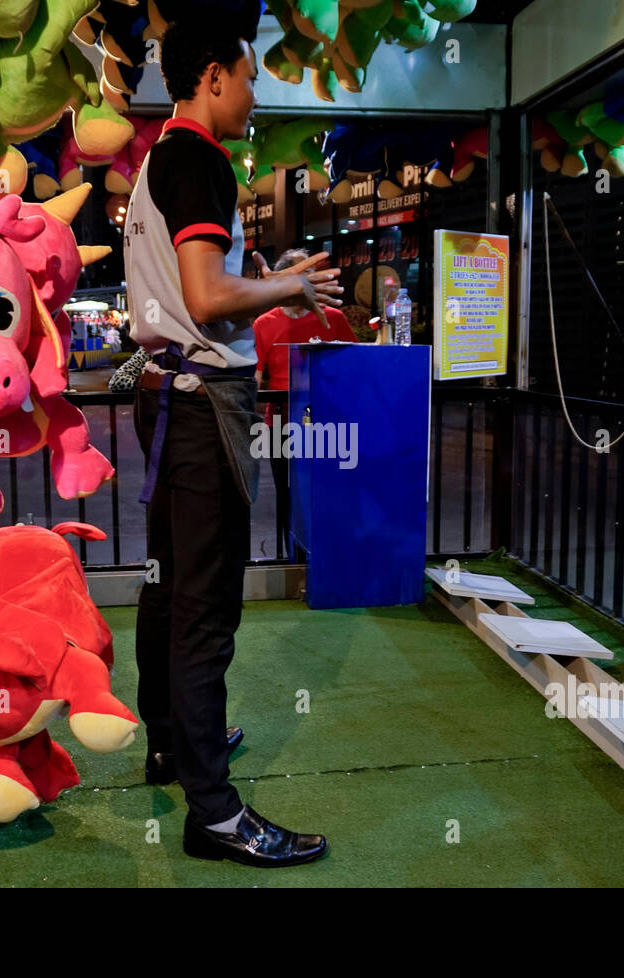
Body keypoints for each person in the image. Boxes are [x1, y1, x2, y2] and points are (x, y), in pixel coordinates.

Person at [122, 16, 342, 867]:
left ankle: (174, 746)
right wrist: (291, 284)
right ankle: (213, 813)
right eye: (250, 77)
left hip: (165, 392)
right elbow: (209, 297)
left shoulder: (156, 160)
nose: (257, 95)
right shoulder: (201, 159)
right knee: (204, 610)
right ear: (213, 76)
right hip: (202, 400)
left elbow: (190, 295)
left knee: (168, 587)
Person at [252, 247, 357, 555]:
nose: (311, 284)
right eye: (305, 277)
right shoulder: (264, 323)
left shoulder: (334, 318)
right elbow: (255, 378)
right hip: (281, 424)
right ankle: (294, 561)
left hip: (329, 421)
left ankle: (330, 557)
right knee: (287, 493)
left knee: (329, 490)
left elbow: (355, 365)